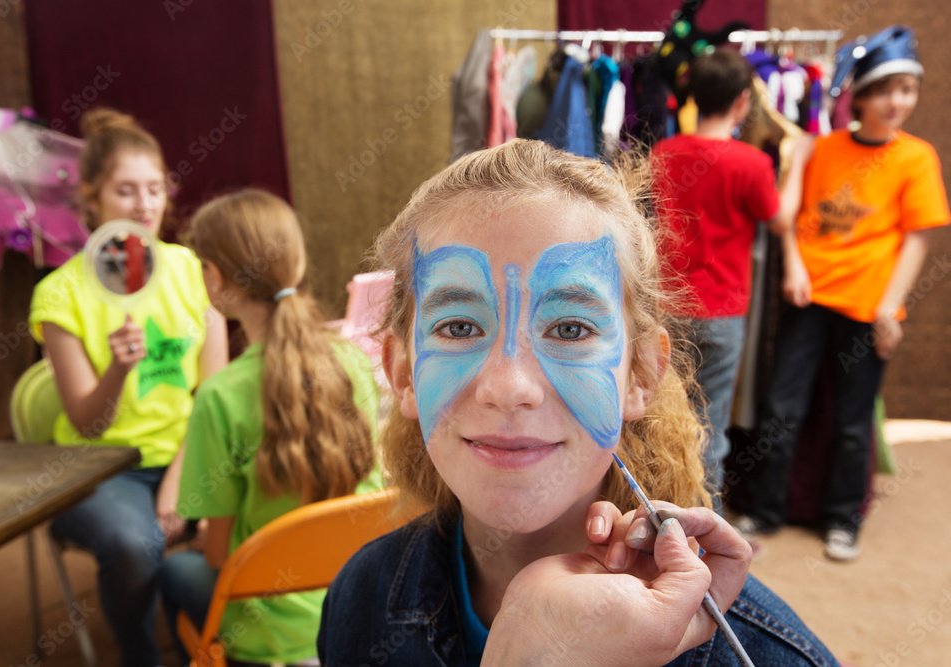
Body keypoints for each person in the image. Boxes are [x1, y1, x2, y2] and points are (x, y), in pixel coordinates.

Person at [317, 139, 839, 666]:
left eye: (570, 328)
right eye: (458, 326)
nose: (509, 387)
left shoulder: (763, 653)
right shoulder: (361, 597)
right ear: (402, 374)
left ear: (639, 374)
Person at [731, 25, 950, 561]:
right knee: (783, 406)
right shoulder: (821, 148)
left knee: (854, 421)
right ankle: (765, 508)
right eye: (884, 89)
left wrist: (887, 309)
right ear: (860, 95)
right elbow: (792, 221)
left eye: (906, 89)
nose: (896, 102)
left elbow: (919, 242)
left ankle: (843, 517)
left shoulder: (916, 158)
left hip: (868, 306)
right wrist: (794, 271)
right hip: (808, 299)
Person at [28, 108, 228, 666]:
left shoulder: (188, 269)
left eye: (154, 188)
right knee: (136, 543)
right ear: (91, 200)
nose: (144, 204)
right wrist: (118, 367)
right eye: (125, 191)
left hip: (185, 452)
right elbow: (88, 422)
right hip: (99, 468)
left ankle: (221, 640)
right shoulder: (59, 294)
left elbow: (211, 399)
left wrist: (182, 482)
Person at [158, 189, 383, 666]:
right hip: (358, 608)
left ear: (214, 278)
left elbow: (219, 557)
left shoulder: (220, 396)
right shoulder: (353, 364)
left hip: (269, 639)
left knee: (174, 570)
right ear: (297, 265)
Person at [651, 48, 811, 510]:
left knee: (662, 417)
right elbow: (780, 220)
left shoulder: (664, 152)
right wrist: (797, 163)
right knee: (709, 424)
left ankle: (658, 512)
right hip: (721, 312)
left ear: (693, 97)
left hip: (668, 306)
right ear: (743, 102)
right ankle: (707, 525)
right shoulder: (750, 163)